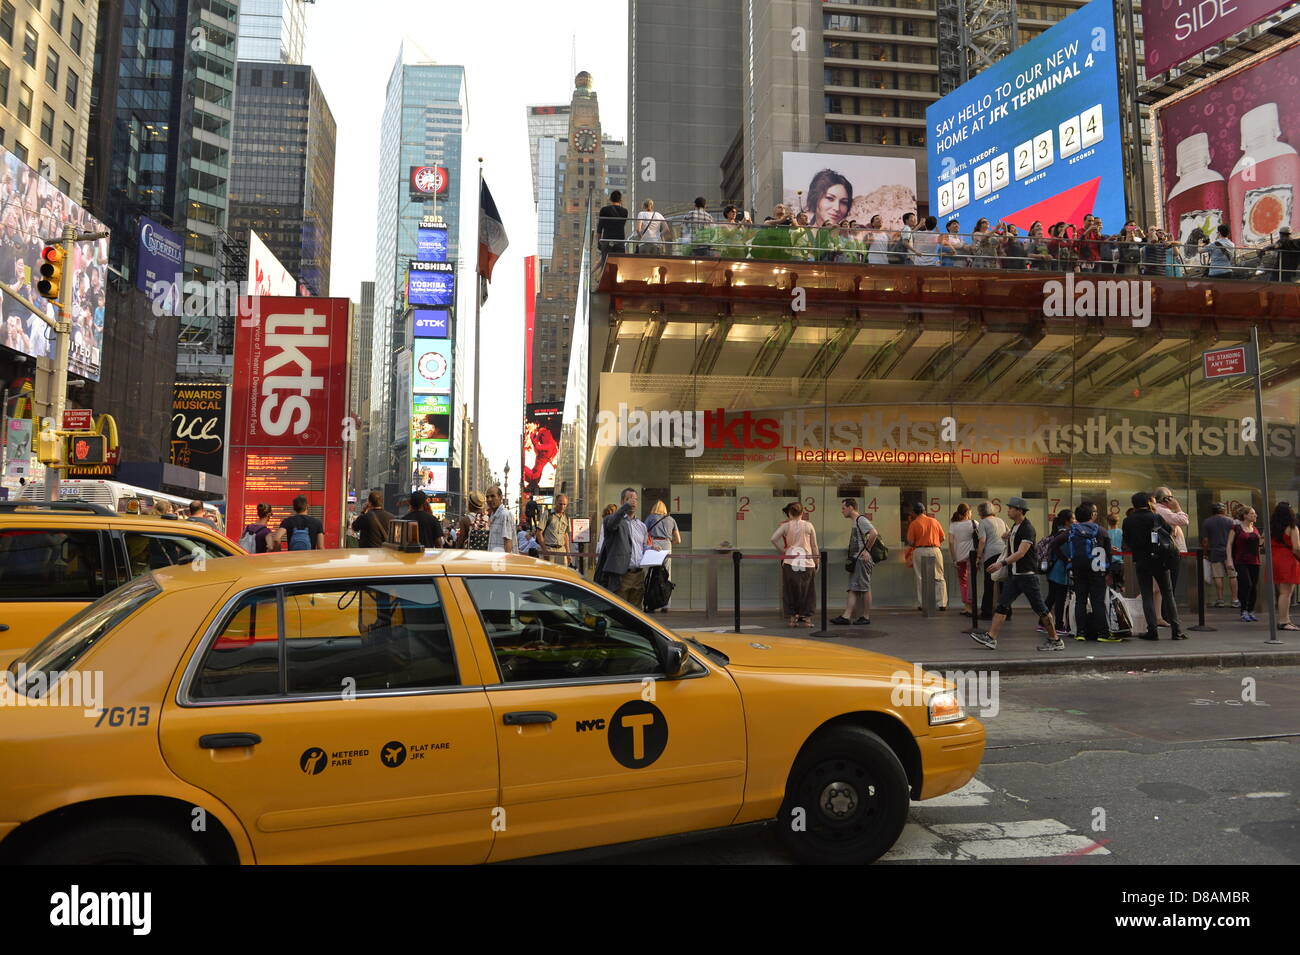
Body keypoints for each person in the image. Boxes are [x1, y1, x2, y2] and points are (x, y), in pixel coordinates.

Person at [969, 497, 1063, 651]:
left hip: (1027, 576)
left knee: (1040, 608)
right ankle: (991, 637)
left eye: (1011, 508)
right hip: (1015, 575)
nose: (1008, 510)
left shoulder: (1027, 528)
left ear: (1020, 511)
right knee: (1002, 604)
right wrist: (1007, 535)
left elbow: (1021, 552)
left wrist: (1001, 563)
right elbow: (1011, 539)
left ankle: (1055, 639)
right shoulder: (1015, 526)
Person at [1122, 491, 1186, 640]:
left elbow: (1127, 541)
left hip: (1141, 561)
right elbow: (1170, 532)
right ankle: (1176, 630)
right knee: (1167, 594)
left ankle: (1152, 630)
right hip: (1160, 560)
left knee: (1147, 595)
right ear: (1149, 502)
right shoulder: (1156, 517)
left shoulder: (1128, 520)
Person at [1065, 502, 1117, 642]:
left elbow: (1056, 544)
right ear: (1093, 515)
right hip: (1097, 570)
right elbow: (1108, 554)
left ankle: (1080, 632)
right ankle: (1103, 634)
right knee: (1097, 602)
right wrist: (1108, 572)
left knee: (1080, 601)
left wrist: (1068, 561)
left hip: (1078, 570)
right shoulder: (1101, 531)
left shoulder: (1072, 530)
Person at [596, 487, 648, 604]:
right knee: (621, 611)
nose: (633, 502)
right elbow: (611, 524)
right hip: (622, 576)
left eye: (635, 499)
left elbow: (642, 547)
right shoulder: (612, 520)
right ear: (622, 502)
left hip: (638, 575)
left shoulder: (641, 526)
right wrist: (625, 508)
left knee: (636, 613)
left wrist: (652, 549)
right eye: (629, 499)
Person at [773, 502, 819, 627]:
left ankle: (793, 619)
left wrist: (784, 550)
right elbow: (814, 545)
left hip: (790, 561)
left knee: (790, 590)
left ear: (789, 513)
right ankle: (807, 619)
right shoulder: (809, 526)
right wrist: (817, 561)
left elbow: (773, 539)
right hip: (807, 562)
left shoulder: (786, 526)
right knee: (808, 591)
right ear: (802, 513)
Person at [832, 498, 876, 626]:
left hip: (861, 559)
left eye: (843, 508)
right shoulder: (855, 521)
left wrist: (867, 550)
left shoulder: (860, 520)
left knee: (865, 588)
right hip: (856, 559)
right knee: (853, 588)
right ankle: (846, 616)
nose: (842, 511)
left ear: (851, 507)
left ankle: (865, 616)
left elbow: (874, 533)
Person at [1152, 486, 1189, 628]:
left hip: (1165, 553)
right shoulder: (1162, 510)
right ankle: (1165, 615)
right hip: (1169, 553)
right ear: (1166, 499)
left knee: (1162, 587)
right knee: (1168, 586)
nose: (1173, 500)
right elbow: (1183, 521)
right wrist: (1178, 507)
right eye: (1171, 497)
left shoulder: (1158, 510)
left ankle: (1162, 615)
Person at [906, 500, 946, 611]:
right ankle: (941, 603)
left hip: (920, 550)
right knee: (939, 576)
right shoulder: (934, 521)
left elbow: (910, 541)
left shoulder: (914, 523)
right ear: (924, 511)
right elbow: (943, 538)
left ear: (914, 513)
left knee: (920, 577)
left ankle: (923, 603)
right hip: (935, 550)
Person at [1226, 506, 1262, 622]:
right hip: (1241, 560)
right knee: (1246, 584)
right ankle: (1244, 610)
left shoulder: (1255, 529)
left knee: (1254, 587)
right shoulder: (1236, 528)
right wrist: (1229, 560)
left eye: (1254, 513)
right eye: (1252, 513)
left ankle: (1251, 610)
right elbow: (1229, 544)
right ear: (1245, 515)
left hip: (1255, 560)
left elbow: (1259, 544)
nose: (1255, 516)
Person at [975, 501, 1009, 621]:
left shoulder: (983, 523)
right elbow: (1008, 533)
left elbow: (982, 540)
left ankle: (987, 612)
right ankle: (1006, 611)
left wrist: (978, 557)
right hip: (1003, 554)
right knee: (1003, 583)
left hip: (990, 555)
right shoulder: (1001, 521)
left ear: (981, 512)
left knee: (989, 584)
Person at [1269, 501, 1300, 631]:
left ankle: (1286, 619)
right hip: (1287, 559)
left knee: (1282, 592)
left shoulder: (1271, 527)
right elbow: (1296, 548)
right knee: (1286, 593)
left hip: (1274, 559)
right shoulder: (1292, 527)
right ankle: (1283, 621)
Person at [645, 500, 680, 612]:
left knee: (653, 573)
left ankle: (652, 603)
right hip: (667, 546)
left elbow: (643, 533)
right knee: (666, 575)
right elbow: (678, 540)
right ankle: (666, 604)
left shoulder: (650, 518)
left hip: (654, 545)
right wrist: (669, 541)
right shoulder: (671, 520)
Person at [1200, 502, 1238, 608]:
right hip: (1229, 553)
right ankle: (1235, 599)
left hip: (1215, 551)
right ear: (1224, 510)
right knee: (1232, 576)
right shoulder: (1231, 521)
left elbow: (1205, 540)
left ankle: (1220, 600)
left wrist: (1205, 552)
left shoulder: (1207, 522)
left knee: (1218, 576)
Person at [1045, 508, 1075, 639]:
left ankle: (1042, 622)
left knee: (1051, 597)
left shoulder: (1056, 532)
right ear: (1067, 521)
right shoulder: (1066, 534)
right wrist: (1068, 559)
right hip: (1060, 570)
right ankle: (1059, 625)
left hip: (1053, 570)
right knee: (1060, 599)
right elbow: (1067, 552)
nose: (1075, 521)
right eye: (1073, 519)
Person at [948, 503, 978, 616]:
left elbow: (950, 542)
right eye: (970, 511)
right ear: (967, 513)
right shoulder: (974, 523)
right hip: (971, 556)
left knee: (963, 582)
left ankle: (966, 606)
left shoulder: (953, 525)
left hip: (959, 556)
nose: (971, 513)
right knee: (971, 581)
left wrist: (954, 558)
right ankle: (970, 605)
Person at [538, 494, 573, 566]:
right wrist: (545, 551)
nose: (562, 506)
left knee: (562, 574)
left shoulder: (566, 517)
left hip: (562, 551)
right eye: (560, 504)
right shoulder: (547, 514)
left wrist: (568, 553)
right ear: (555, 502)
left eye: (564, 504)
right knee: (549, 574)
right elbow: (539, 533)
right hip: (549, 549)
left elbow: (566, 536)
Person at [597, 189, 629, 262]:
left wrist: (599, 242)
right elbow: (622, 224)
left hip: (606, 240)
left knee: (606, 263)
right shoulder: (625, 211)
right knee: (620, 264)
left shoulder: (604, 210)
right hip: (620, 240)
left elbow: (600, 227)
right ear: (620, 200)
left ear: (610, 199)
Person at [484, 485, 514, 553]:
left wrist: (506, 562)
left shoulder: (504, 515)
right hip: (494, 559)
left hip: (501, 561)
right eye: (487, 497)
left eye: (492, 496)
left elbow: (508, 541)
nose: (489, 499)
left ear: (500, 497)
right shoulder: (493, 515)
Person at [1106, 512, 1125, 590]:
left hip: (1110, 562)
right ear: (1118, 521)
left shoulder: (1106, 533)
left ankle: (1113, 600)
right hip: (1121, 561)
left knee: (1111, 585)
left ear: (1108, 522)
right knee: (1121, 583)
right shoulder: (1122, 532)